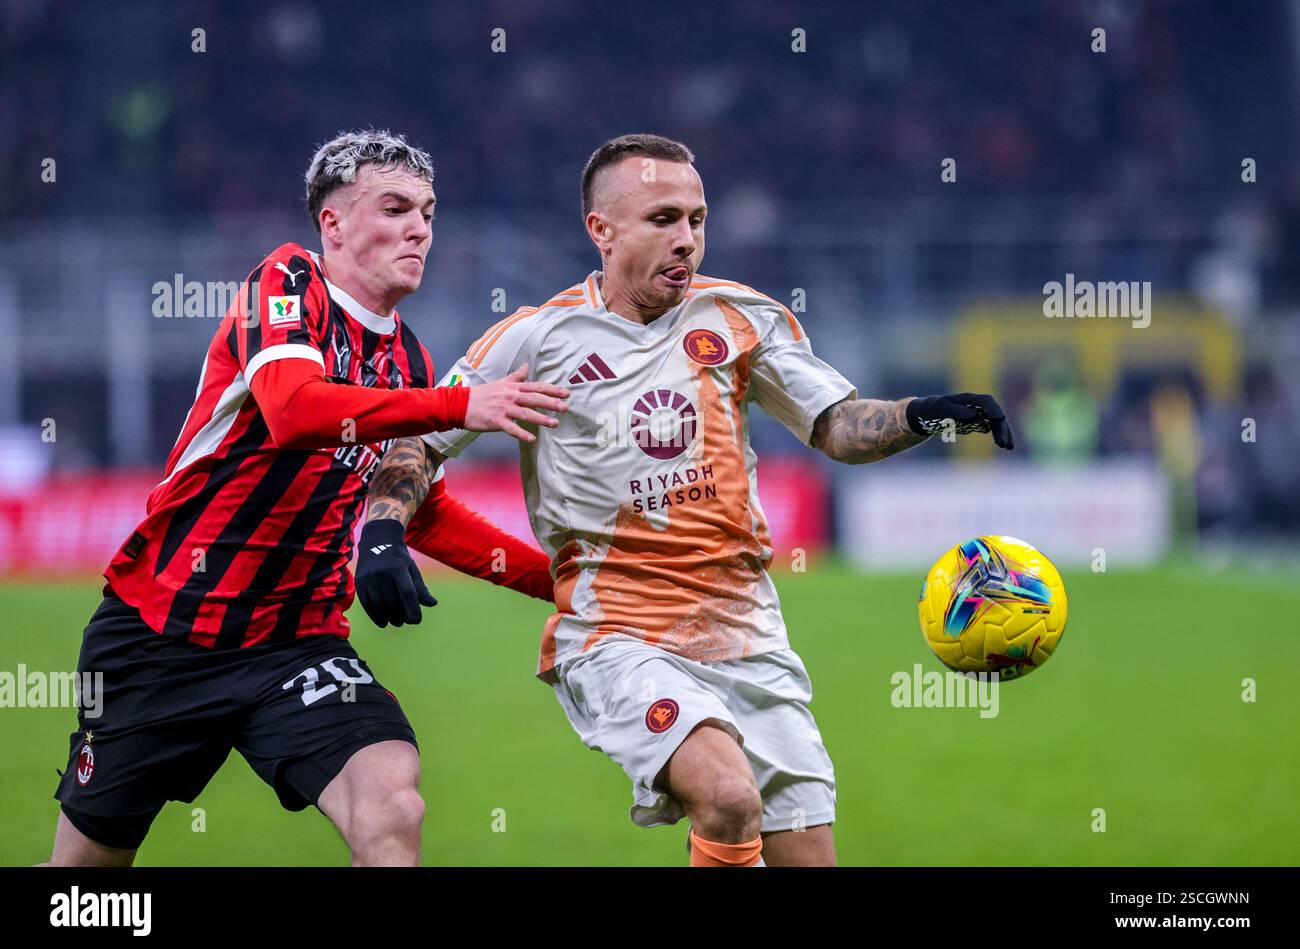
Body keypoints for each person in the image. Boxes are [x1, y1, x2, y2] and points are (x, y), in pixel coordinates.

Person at [355, 134, 1012, 866]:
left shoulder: (739, 317)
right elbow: (418, 437)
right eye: (664, 219)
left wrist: (926, 413)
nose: (688, 240)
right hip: (618, 635)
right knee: (728, 798)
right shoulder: (537, 339)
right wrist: (382, 532)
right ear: (601, 230)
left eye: (697, 220)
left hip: (748, 632)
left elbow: (836, 426)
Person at [46, 130, 567, 867]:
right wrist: (455, 406)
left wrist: (563, 583)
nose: (419, 226)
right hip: (162, 631)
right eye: (394, 208)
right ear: (333, 223)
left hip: (295, 643)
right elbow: (294, 409)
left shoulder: (408, 359)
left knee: (392, 803)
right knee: (86, 880)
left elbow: (423, 511)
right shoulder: (288, 281)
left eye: (428, 211)